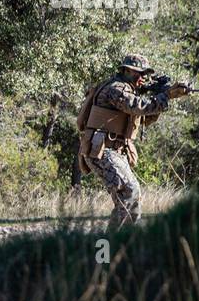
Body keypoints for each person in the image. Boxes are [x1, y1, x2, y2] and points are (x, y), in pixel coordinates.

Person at [77, 53, 187, 228]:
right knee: (130, 191)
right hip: (102, 149)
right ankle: (115, 242)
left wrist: (161, 95)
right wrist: (166, 95)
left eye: (145, 75)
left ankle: (123, 242)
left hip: (113, 150)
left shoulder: (128, 90)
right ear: (126, 70)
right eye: (139, 73)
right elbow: (138, 106)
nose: (142, 78)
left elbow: (144, 119)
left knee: (131, 196)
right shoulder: (116, 88)